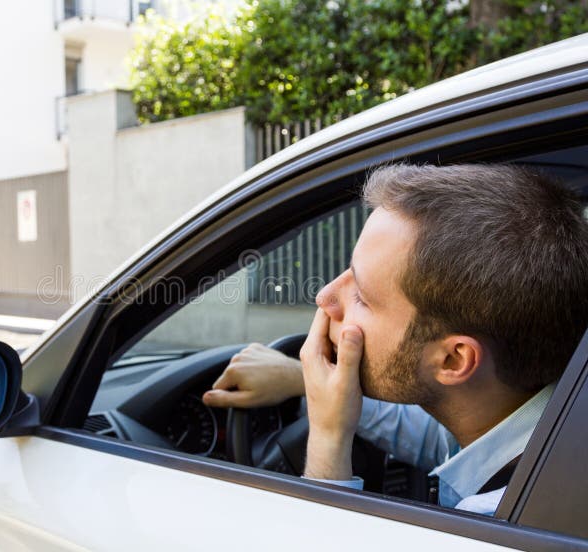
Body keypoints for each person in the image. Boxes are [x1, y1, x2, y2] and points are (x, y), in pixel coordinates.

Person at [203, 163, 588, 515]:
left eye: (362, 296)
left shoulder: (505, 519)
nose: (325, 297)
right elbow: (433, 438)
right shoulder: (530, 416)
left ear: (454, 360)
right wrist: (298, 379)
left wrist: (327, 438)